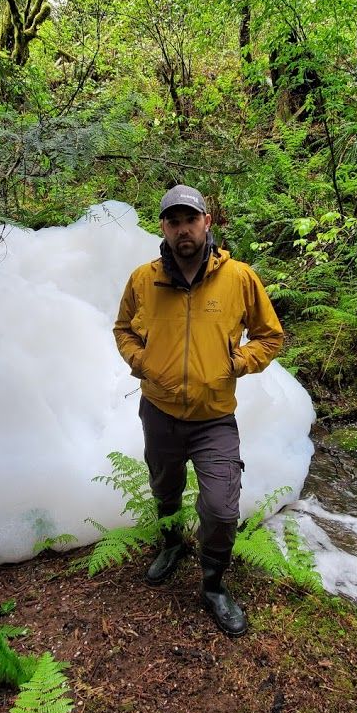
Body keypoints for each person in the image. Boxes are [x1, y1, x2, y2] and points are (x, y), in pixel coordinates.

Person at [113, 184, 284, 637]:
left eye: (191, 219)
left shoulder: (239, 278)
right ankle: (171, 545)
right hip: (160, 411)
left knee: (222, 509)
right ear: (163, 228)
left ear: (207, 222)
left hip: (214, 418)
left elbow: (270, 336)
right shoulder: (143, 280)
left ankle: (213, 585)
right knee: (164, 489)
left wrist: (238, 363)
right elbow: (123, 329)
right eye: (174, 221)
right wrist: (140, 361)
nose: (183, 229)